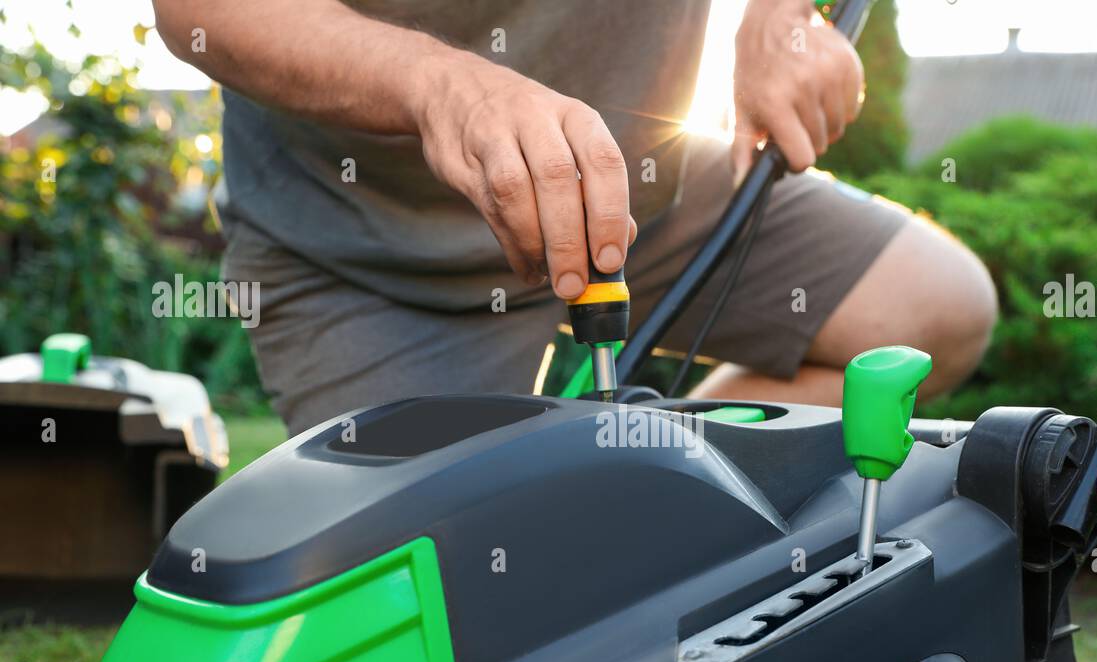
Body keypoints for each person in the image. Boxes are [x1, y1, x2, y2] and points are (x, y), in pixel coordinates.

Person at [154, 0, 997, 436]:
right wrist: (444, 86)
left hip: (646, 194)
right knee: (468, 614)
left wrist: (778, 15)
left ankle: (671, 476)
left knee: (940, 310)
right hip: (364, 250)